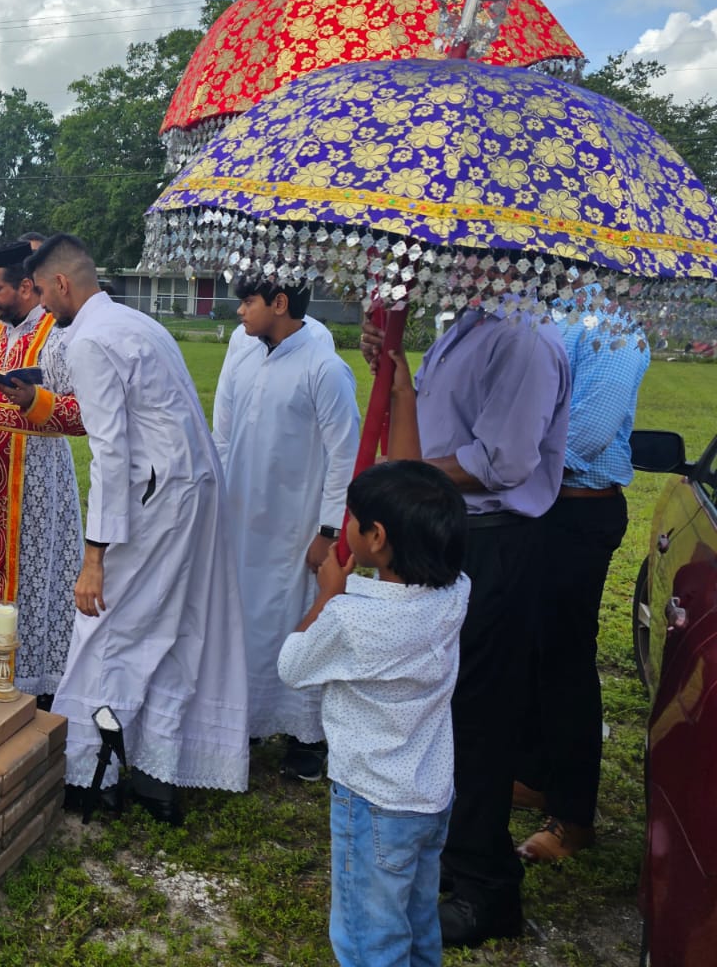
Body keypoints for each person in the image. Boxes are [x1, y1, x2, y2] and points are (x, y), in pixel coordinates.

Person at [361, 294, 569, 948]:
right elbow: (440, 426)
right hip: (459, 533)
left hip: (497, 540)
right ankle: (457, 856)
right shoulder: (470, 325)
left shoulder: (522, 337)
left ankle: (488, 890)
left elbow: (502, 462)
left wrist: (409, 481)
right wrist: (394, 378)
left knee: (478, 717)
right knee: (447, 706)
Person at [28, 234, 249, 819]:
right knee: (176, 629)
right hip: (191, 490)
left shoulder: (93, 340)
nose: (44, 309)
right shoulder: (135, 321)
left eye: (44, 296)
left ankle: (87, 775)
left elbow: (110, 453)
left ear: (63, 285)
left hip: (157, 499)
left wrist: (94, 557)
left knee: (105, 626)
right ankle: (158, 771)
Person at [278, 460, 472, 967]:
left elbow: (292, 665)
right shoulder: (456, 593)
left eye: (352, 518)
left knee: (370, 944)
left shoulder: (351, 620)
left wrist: (327, 597)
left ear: (376, 537)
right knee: (416, 922)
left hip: (371, 802)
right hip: (429, 799)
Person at [513, 291, 649, 863]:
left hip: (577, 509)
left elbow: (587, 435)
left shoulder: (619, 332)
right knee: (533, 649)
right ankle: (539, 775)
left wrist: (499, 459)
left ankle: (574, 815)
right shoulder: (552, 313)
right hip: (535, 507)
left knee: (566, 658)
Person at [213, 279, 359, 781]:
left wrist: (328, 529)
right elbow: (224, 435)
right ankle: (250, 718)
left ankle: (306, 736)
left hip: (298, 522)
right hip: (241, 514)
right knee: (246, 618)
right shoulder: (244, 356)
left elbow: (345, 456)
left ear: (279, 304)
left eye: (248, 301)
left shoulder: (324, 367)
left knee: (300, 616)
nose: (238, 312)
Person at [0, 240, 85, 702]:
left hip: (36, 483)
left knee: (35, 581)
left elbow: (85, 413)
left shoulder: (59, 334)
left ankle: (34, 680)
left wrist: (36, 401)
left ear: (27, 287)